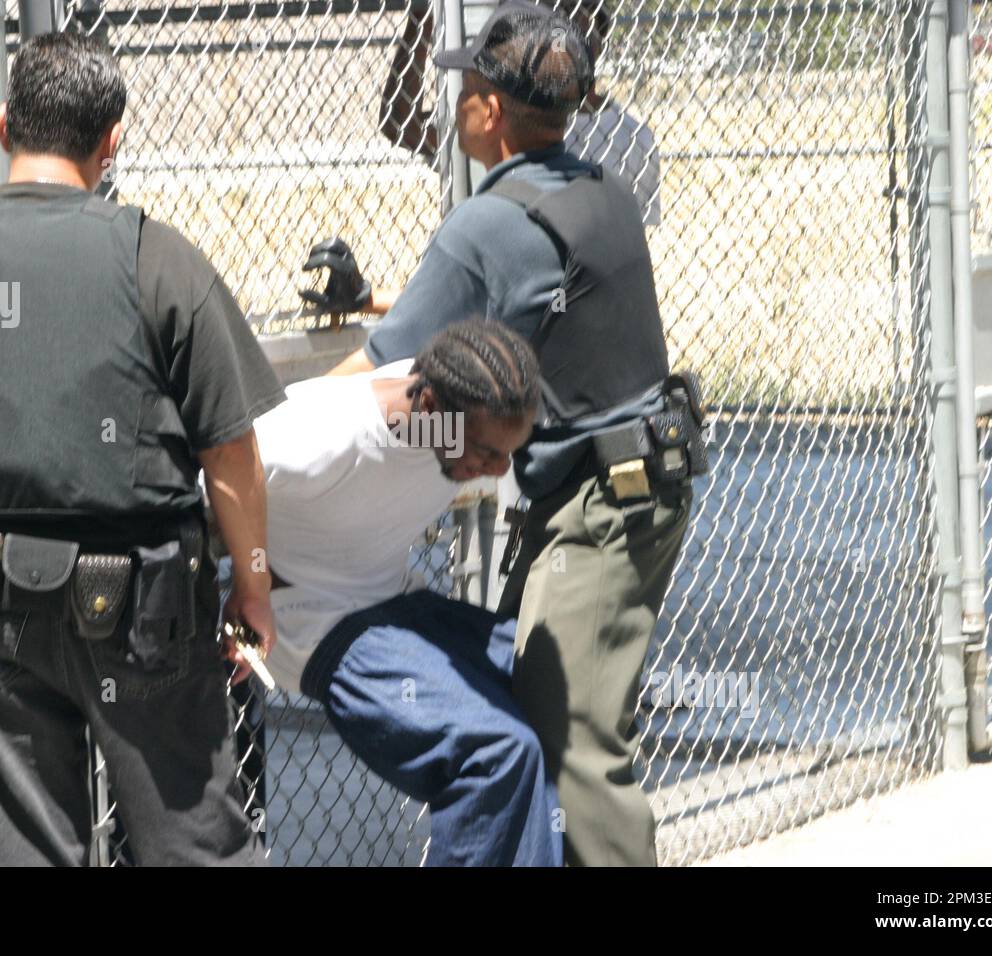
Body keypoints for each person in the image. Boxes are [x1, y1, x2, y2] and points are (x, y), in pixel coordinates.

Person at [0, 31, 284, 866]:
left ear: (6, 123)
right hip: (146, 615)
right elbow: (230, 451)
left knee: (26, 851)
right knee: (195, 845)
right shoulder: (158, 258)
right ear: (111, 140)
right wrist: (253, 587)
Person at [317, 3, 705, 866]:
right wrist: (381, 294)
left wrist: (251, 443)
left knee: (574, 740)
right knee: (533, 701)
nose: (454, 99)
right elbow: (534, 300)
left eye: (465, 86)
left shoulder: (488, 222)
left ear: (489, 111)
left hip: (596, 509)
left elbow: (381, 371)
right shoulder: (600, 190)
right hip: (646, 483)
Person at [253, 320, 560, 866]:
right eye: (488, 454)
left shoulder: (451, 396)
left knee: (553, 692)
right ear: (429, 408)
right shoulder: (314, 439)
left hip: (394, 596)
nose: (499, 470)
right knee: (493, 750)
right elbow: (205, 478)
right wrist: (244, 584)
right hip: (317, 622)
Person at [377, 0, 661, 224]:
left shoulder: (633, 138)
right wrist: (424, 15)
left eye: (576, 10)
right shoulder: (510, 119)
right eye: (553, 11)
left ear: (600, 37)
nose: (563, 25)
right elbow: (400, 123)